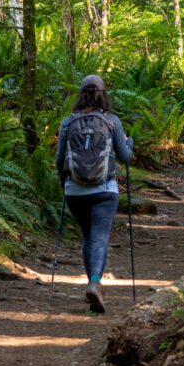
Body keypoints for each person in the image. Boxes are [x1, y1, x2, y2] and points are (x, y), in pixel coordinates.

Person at [55, 74, 133, 314]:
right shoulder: (112, 122)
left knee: (88, 236)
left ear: (80, 94)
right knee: (99, 237)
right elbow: (125, 157)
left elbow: (59, 161)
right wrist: (130, 143)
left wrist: (64, 184)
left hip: (75, 191)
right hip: (104, 190)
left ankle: (93, 283)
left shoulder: (68, 122)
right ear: (103, 94)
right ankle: (95, 282)